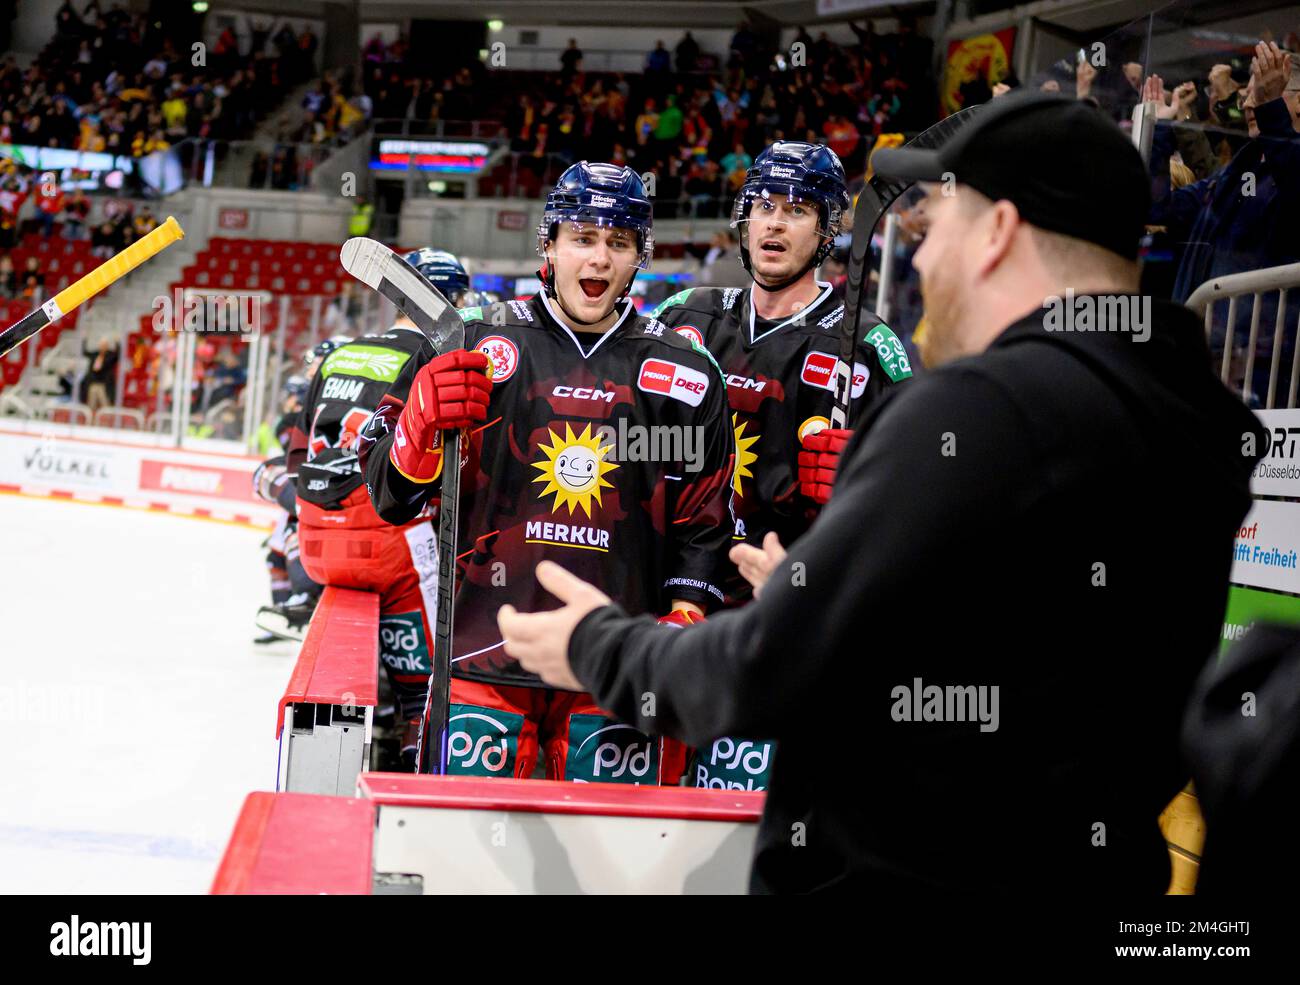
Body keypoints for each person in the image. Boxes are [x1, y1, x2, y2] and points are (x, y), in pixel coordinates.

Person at [495, 92, 1265, 894]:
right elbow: (1035, 665)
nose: (922, 261)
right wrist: (840, 576)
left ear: (996, 232)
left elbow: (767, 669)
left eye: (937, 228)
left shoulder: (981, 407)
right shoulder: (1195, 427)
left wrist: (598, 644)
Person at [359, 163, 735, 783]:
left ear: (639, 256)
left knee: (615, 866)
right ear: (551, 244)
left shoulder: (681, 371)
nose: (599, 259)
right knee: (468, 859)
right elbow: (390, 499)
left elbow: (705, 522)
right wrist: (418, 429)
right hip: (479, 657)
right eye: (583, 238)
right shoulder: (473, 342)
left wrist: (683, 620)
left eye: (619, 243)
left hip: (615, 670)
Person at [648, 140, 909, 791]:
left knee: (730, 840)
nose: (772, 223)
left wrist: (860, 484)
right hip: (672, 607)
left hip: (777, 626)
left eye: (795, 210)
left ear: (827, 231)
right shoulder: (684, 318)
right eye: (762, 205)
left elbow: (925, 494)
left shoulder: (869, 345)